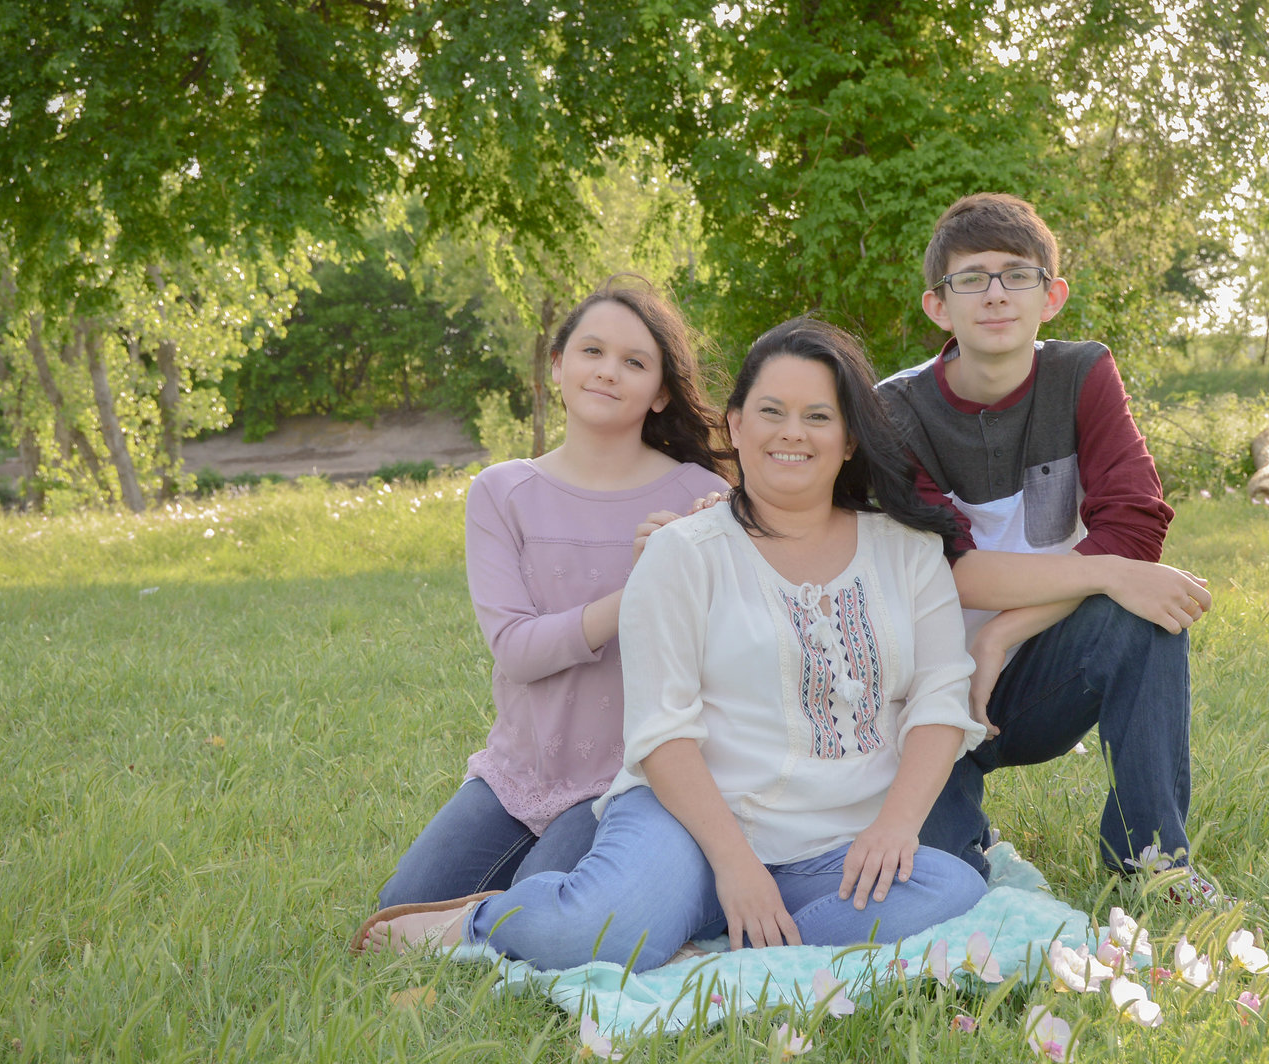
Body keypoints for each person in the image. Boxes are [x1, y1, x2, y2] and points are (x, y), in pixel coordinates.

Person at [353, 318, 989, 968]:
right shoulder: (684, 551)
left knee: (953, 891)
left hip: (832, 843)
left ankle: (713, 941)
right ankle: (478, 922)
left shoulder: (908, 554)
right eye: (771, 411)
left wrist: (895, 827)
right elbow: (660, 733)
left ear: (850, 437)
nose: (792, 432)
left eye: (817, 416)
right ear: (736, 426)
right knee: (590, 933)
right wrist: (737, 867)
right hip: (685, 825)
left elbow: (941, 700)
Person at [876, 193, 1221, 904]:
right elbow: (945, 571)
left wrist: (1007, 631)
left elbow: (1133, 523)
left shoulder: (1082, 375)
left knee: (1144, 609)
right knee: (943, 887)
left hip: (1038, 671)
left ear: (1052, 295)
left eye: (1017, 274)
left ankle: (1152, 863)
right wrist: (1104, 576)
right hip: (922, 689)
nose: (996, 294)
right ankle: (972, 840)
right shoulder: (895, 410)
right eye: (972, 278)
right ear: (939, 306)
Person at [374, 276, 730, 910]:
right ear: (558, 366)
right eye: (591, 352)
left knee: (544, 903)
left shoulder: (699, 497)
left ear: (660, 394)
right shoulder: (501, 491)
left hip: (633, 777)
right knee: (402, 908)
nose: (608, 372)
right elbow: (515, 650)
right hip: (520, 772)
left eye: (635, 362)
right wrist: (642, 591)